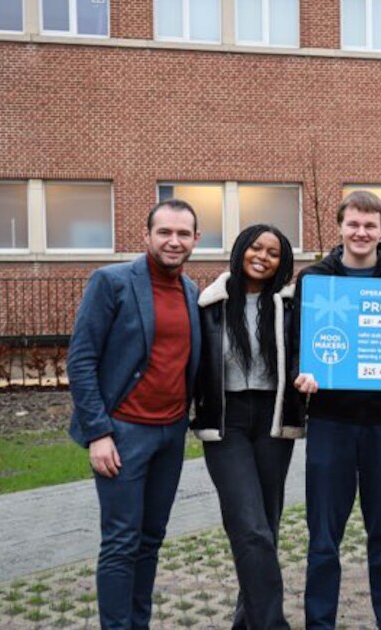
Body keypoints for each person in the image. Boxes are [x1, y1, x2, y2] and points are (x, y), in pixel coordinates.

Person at [66, 199, 202, 630]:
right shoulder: (112, 281)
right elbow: (81, 359)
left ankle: (137, 623)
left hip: (171, 433)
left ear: (196, 240)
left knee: (150, 540)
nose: (174, 241)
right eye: (165, 232)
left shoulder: (193, 291)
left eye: (183, 234)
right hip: (123, 434)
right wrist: (98, 433)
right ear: (146, 236)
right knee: (122, 542)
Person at [292, 190, 381, 630]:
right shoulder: (314, 280)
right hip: (332, 423)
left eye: (370, 225)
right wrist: (301, 374)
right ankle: (319, 623)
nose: (361, 232)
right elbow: (296, 346)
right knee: (324, 537)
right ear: (340, 226)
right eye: (353, 224)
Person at [193, 224, 303, 629]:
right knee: (249, 525)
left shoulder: (291, 305)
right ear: (240, 250)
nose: (263, 256)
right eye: (256, 247)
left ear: (283, 261)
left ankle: (247, 621)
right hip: (228, 420)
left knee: (265, 528)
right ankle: (272, 624)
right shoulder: (211, 302)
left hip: (274, 419)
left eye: (274, 252)